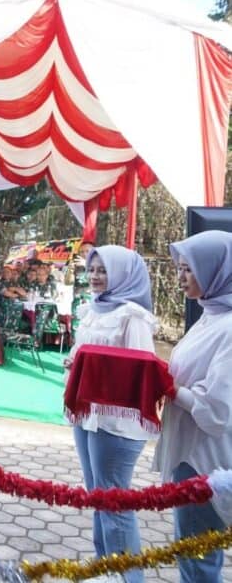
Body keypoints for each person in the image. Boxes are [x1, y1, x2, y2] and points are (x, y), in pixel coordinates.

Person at [62, 246, 156, 583]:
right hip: (88, 418)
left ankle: (128, 577)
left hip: (116, 426)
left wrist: (97, 370)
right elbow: (81, 351)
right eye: (92, 270)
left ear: (122, 274)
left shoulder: (133, 316)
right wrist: (75, 362)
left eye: (103, 270)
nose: (96, 277)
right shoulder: (92, 309)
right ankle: (106, 568)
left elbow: (141, 371)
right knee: (98, 496)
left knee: (115, 502)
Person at [153, 230, 232, 582]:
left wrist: (171, 389)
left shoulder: (229, 327)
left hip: (206, 459)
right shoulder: (211, 314)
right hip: (189, 454)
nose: (180, 277)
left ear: (217, 271)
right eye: (180, 268)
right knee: (192, 553)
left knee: (198, 560)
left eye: (189, 269)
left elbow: (218, 410)